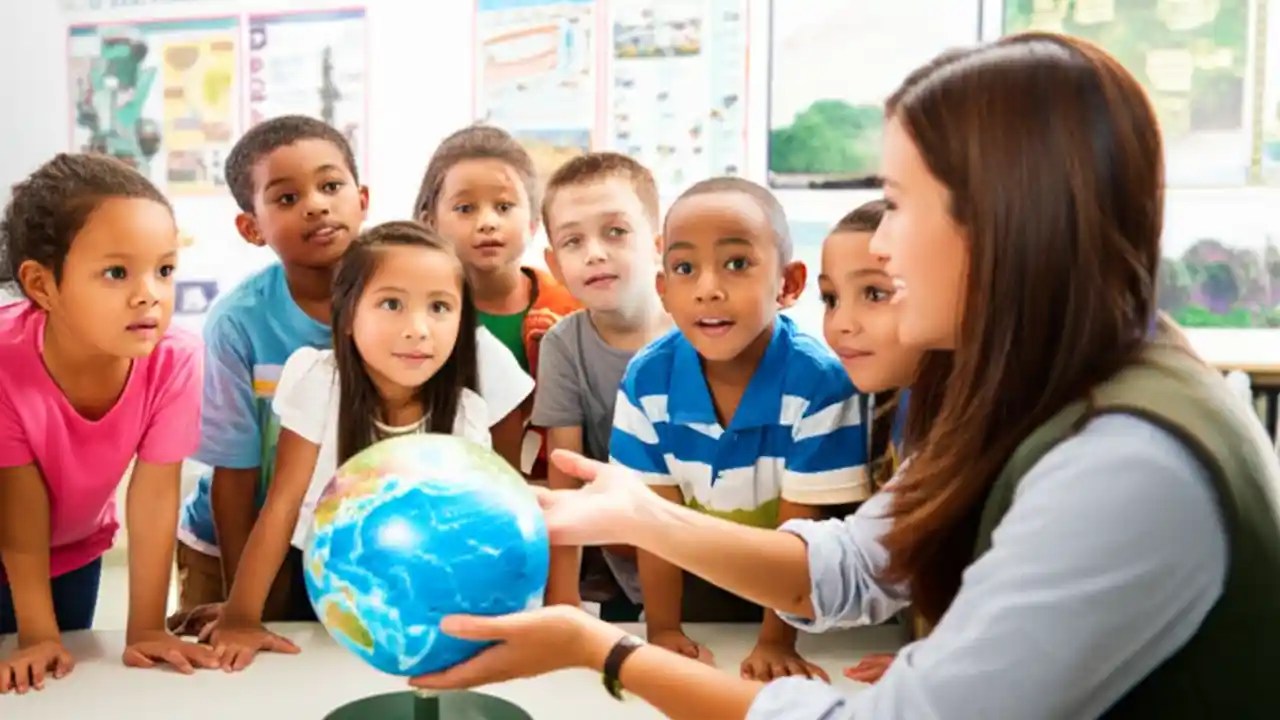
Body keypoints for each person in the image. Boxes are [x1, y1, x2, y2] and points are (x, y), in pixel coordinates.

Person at [405, 33, 1280, 719]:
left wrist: (602, 653)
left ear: (1005, 217)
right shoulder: (1038, 384)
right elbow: (855, 565)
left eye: (899, 203)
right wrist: (646, 519)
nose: (884, 244)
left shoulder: (1121, 466)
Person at [171, 116, 531, 634]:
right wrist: (243, 605)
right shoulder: (246, 328)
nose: (316, 204)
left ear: (361, 199)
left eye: (331, 186)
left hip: (379, 553)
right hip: (248, 540)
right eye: (287, 198)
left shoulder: (439, 326)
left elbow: (498, 489)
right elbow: (242, 475)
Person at [610, 177, 871, 682]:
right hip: (698, 575)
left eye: (736, 264)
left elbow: (802, 535)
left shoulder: (819, 383)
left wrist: (776, 642)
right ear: (663, 290)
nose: (708, 288)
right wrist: (664, 631)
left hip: (803, 593)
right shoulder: (648, 381)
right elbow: (654, 523)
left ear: (788, 284)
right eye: (685, 269)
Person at [209, 221, 489, 670]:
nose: (418, 329)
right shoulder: (318, 382)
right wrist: (241, 616)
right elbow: (282, 504)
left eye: (439, 307)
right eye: (392, 304)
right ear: (346, 315)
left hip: (416, 593)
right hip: (314, 583)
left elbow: (464, 533)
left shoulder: (466, 415)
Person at [0, 153, 217, 694]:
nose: (149, 293)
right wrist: (36, 632)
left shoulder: (175, 361)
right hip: (12, 537)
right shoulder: (5, 364)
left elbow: (154, 496)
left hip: (74, 550)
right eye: (117, 272)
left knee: (58, 687)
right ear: (42, 286)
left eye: (164, 270)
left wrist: (146, 627)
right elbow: (18, 510)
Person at [532, 152, 670, 619]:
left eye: (616, 231)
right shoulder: (563, 345)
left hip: (711, 552)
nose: (595, 252)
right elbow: (564, 478)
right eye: (573, 241)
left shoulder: (700, 332)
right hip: (626, 568)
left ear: (658, 245)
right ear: (554, 262)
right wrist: (563, 597)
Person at [413, 124, 579, 479]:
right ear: (430, 221)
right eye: (465, 208)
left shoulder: (573, 312)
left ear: (534, 222)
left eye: (504, 206)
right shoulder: (415, 325)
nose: (487, 222)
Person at [817, 201, 923, 683]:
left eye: (875, 294)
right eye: (830, 299)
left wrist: (938, 657)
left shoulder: (976, 421)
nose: (841, 322)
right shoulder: (882, 397)